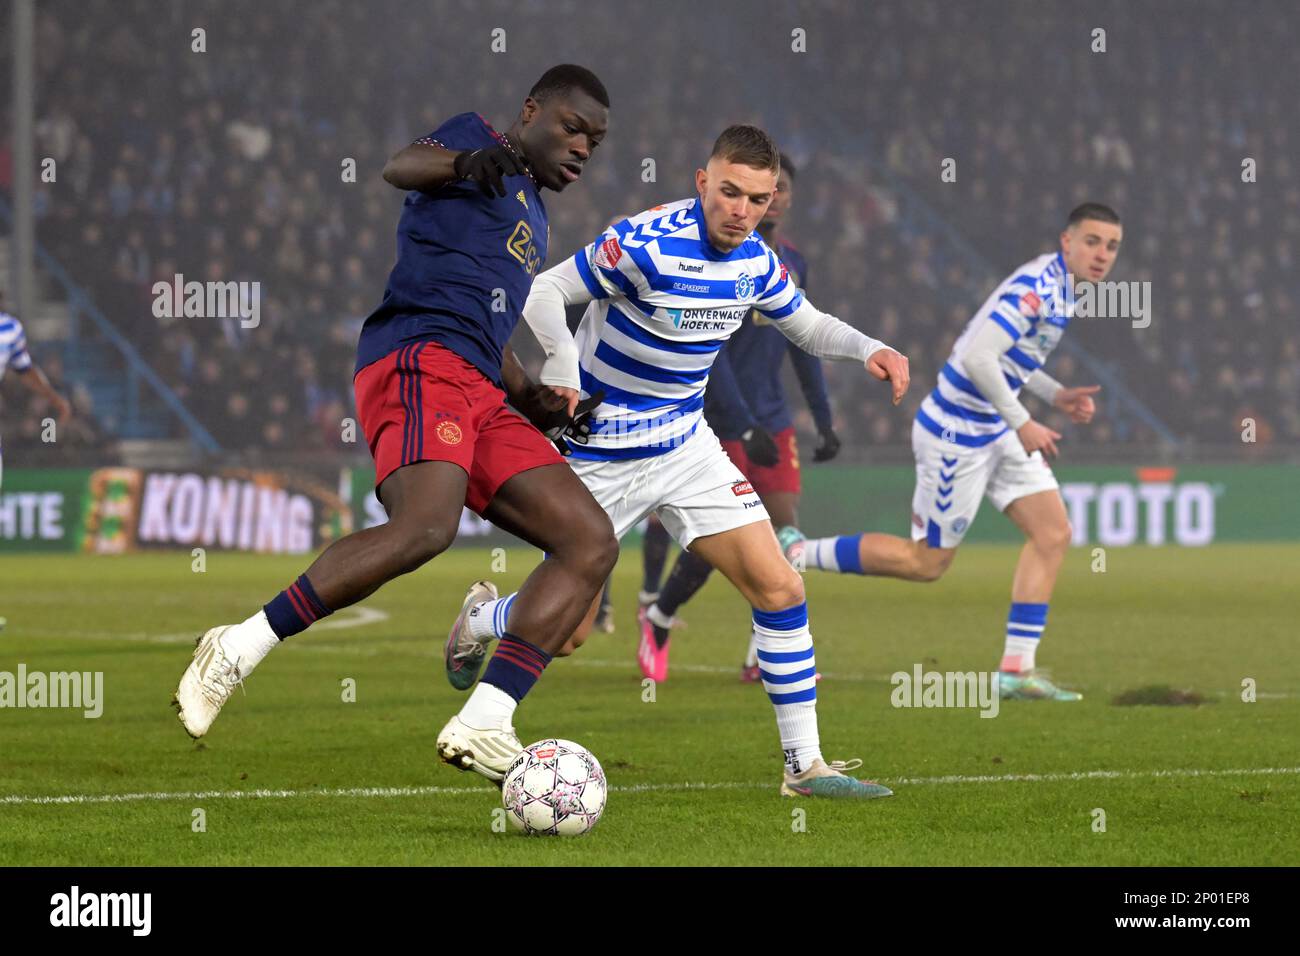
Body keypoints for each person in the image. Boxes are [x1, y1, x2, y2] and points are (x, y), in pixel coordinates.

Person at [439, 125, 910, 799]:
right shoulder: (644, 243)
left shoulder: (756, 261)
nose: (739, 210)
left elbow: (802, 322)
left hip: (686, 446)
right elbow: (544, 290)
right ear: (701, 182)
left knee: (780, 588)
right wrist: (563, 362)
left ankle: (803, 768)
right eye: (727, 192)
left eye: (755, 197)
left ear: (772, 198)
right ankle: (483, 620)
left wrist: (871, 349)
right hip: (601, 450)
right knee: (568, 636)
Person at [173, 65, 619, 737]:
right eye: (572, 127)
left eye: (596, 140)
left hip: (480, 382)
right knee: (426, 528)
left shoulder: (535, 213)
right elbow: (399, 166)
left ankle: (485, 723)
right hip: (419, 359)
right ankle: (237, 647)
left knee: (589, 540)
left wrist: (532, 398)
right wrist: (468, 162)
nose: (584, 146)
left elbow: (484, 320)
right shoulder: (476, 139)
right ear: (531, 111)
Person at [788, 204, 1121, 701]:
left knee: (1053, 533)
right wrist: (1024, 420)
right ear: (1066, 241)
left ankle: (1015, 670)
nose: (1102, 254)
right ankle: (795, 551)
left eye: (1112, 246)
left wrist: (1054, 396)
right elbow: (976, 357)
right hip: (957, 433)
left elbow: (1006, 358)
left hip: (993, 427)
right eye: (1092, 241)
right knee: (926, 563)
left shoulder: (1064, 289)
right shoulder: (1036, 289)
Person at [635, 153, 838, 682]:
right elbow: (711, 347)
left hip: (772, 417)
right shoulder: (711, 255)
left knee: (784, 532)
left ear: (781, 198)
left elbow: (804, 341)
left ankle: (761, 658)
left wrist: (823, 416)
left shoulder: (792, 263)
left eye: (776, 191)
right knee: (717, 543)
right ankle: (659, 615)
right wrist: (742, 422)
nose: (765, 202)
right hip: (718, 418)